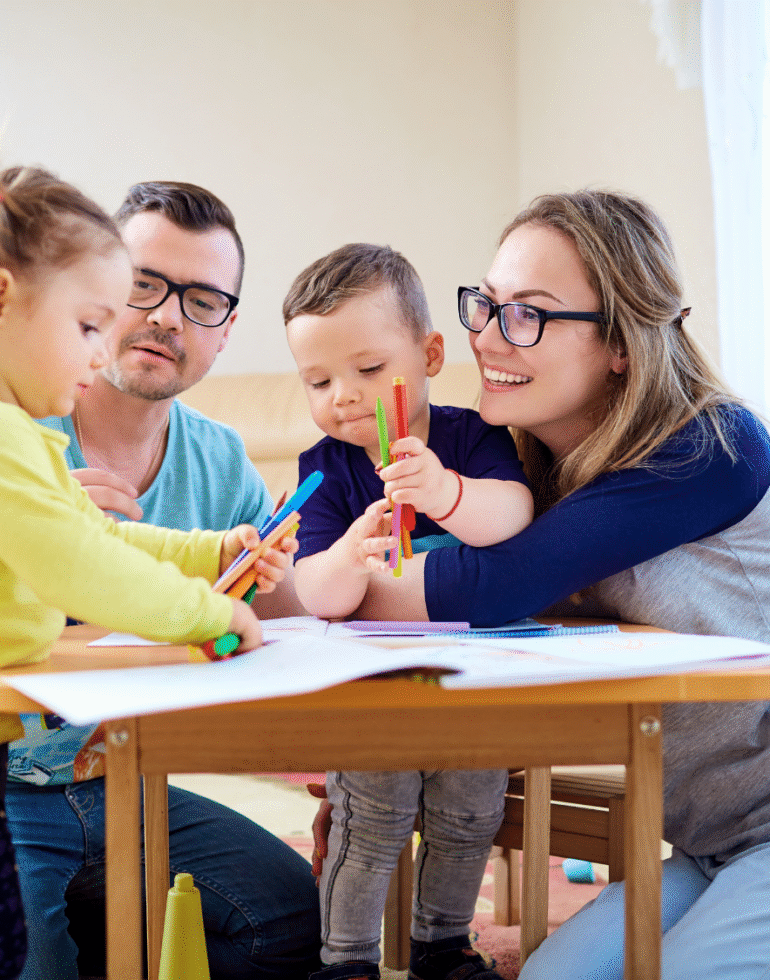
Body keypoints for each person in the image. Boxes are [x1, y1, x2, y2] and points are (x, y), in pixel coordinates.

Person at [0, 129, 290, 980]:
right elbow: (83, 567)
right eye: (95, 320)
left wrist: (212, 549)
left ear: (224, 329)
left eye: (201, 301)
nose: (114, 341)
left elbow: (102, 539)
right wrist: (208, 613)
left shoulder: (15, 436)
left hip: (41, 764)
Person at [318, 190, 770, 980]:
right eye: (485, 305)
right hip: (716, 844)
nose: (488, 336)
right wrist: (376, 762)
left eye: (527, 313)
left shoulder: (711, 445)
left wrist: (310, 589)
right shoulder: (527, 475)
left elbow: (491, 587)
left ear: (622, 343)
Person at [283, 243, 533, 980]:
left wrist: (447, 493)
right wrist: (349, 557)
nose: (344, 396)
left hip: (473, 683)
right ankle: (348, 958)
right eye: (318, 380)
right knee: (372, 824)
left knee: (469, 817)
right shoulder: (324, 468)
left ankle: (443, 943)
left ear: (429, 354)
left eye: (366, 370)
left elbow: (514, 516)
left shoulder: (469, 438)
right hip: (375, 693)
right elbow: (318, 594)